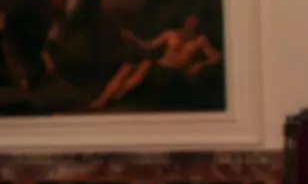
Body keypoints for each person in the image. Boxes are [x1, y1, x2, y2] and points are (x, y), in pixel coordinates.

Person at [90, 12, 223, 110]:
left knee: (146, 64)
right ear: (185, 22)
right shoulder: (170, 34)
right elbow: (149, 45)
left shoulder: (200, 40)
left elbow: (217, 57)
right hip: (160, 64)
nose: (191, 25)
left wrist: (200, 64)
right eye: (190, 22)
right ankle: (103, 98)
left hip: (175, 70)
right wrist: (132, 38)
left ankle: (119, 95)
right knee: (127, 67)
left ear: (198, 25)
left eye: (195, 23)